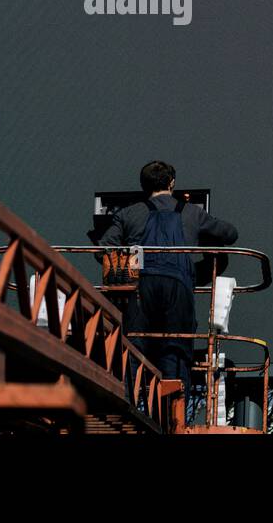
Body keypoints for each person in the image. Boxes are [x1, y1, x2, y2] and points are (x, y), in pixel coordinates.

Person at [96, 160, 237, 401]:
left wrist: (128, 264)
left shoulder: (129, 213)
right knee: (176, 347)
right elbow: (230, 234)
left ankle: (128, 401)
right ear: (172, 183)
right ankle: (173, 409)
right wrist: (201, 264)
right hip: (178, 288)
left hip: (140, 288)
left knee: (134, 346)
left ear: (143, 185)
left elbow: (102, 251)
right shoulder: (193, 212)